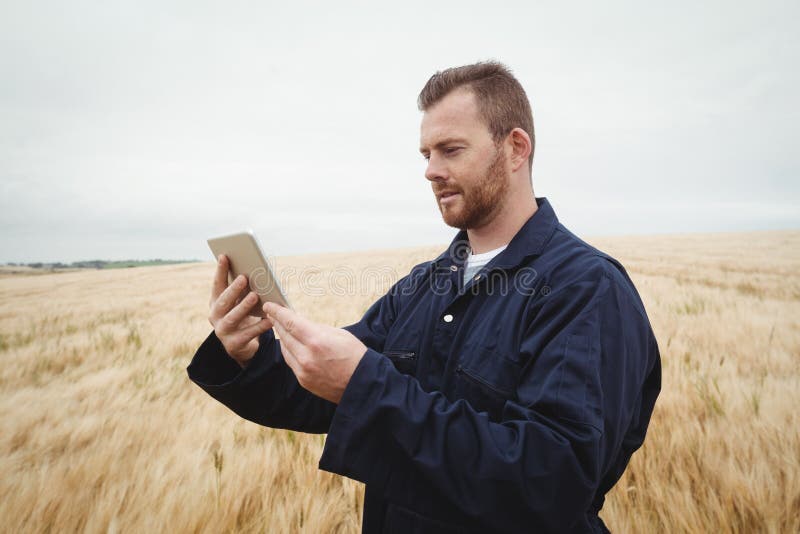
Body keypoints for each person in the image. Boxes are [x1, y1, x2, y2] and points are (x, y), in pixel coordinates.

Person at [187, 61, 661, 533]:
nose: (431, 171)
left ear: (516, 149)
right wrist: (248, 354)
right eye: (426, 154)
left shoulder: (586, 289)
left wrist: (365, 386)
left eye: (451, 150)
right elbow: (324, 392)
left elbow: (552, 483)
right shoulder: (424, 284)